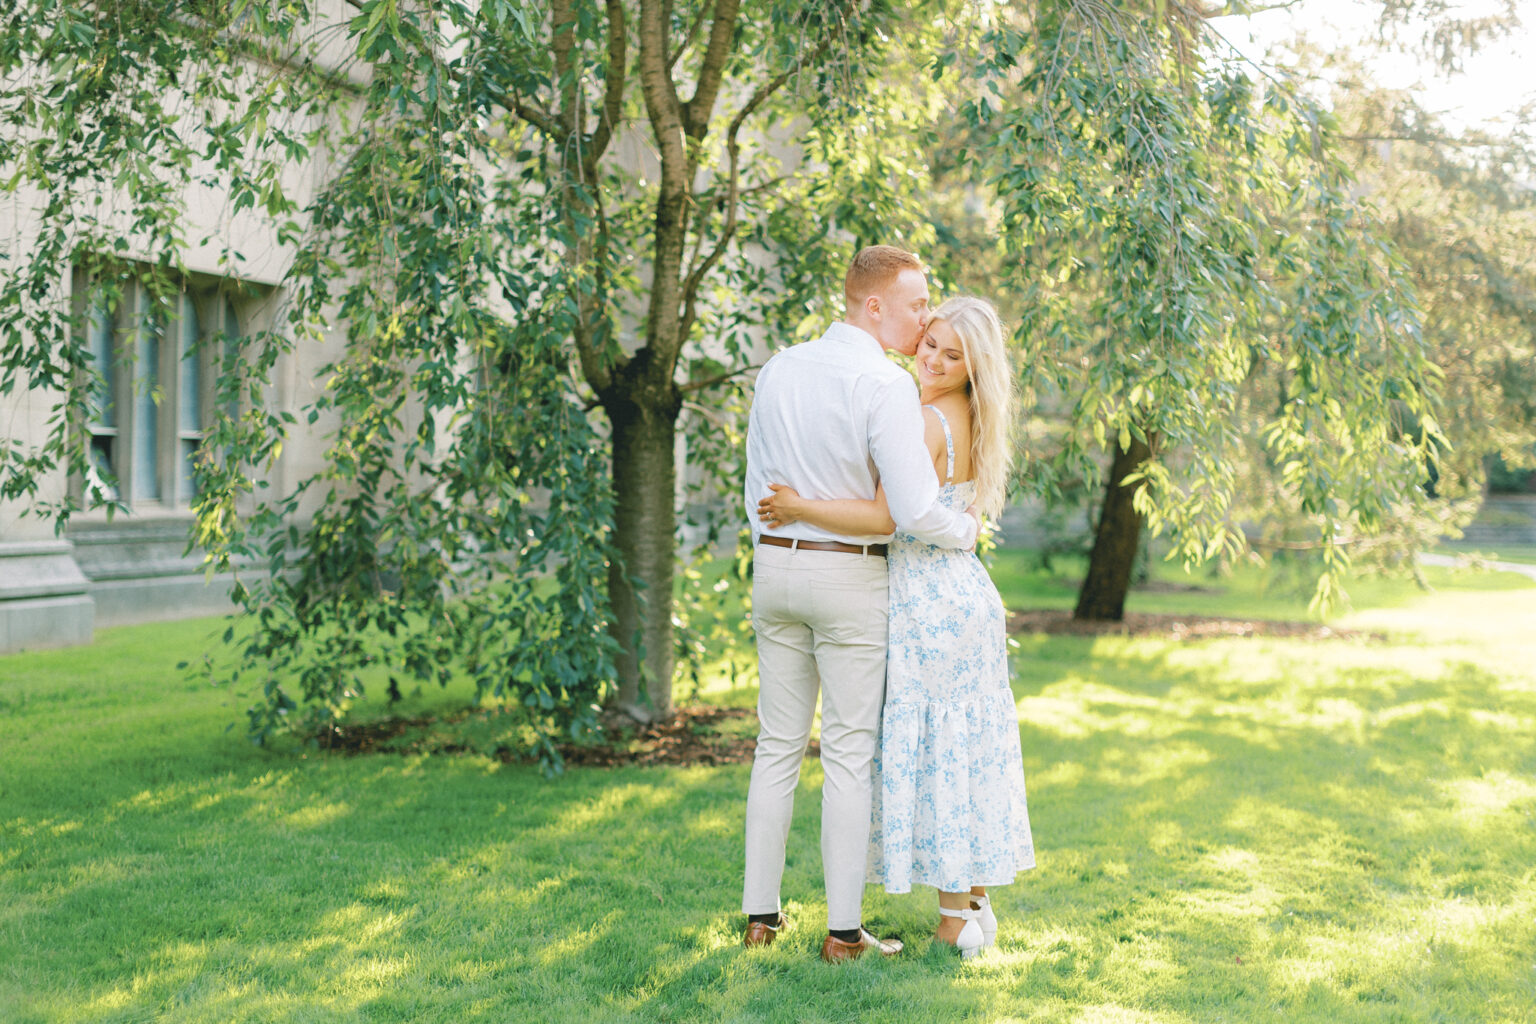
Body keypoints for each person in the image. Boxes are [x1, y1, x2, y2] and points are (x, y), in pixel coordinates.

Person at [757, 295, 1035, 959]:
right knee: (963, 751)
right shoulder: (969, 416)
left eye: (951, 354)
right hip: (965, 593)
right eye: (930, 342)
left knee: (940, 754)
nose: (931, 359)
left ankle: (954, 920)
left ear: (973, 368)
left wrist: (799, 506)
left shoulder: (925, 419)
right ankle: (972, 904)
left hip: (927, 600)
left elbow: (887, 516)